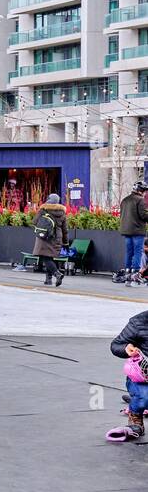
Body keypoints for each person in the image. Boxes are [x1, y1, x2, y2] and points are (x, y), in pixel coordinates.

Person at [108, 306, 148, 441]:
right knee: (144, 397)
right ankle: (135, 415)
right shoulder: (139, 322)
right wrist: (126, 349)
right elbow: (116, 345)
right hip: (143, 377)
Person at [31, 193, 71, 288]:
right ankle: (48, 279)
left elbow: (34, 222)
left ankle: (57, 274)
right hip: (57, 238)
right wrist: (66, 243)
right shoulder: (62, 213)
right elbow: (65, 230)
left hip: (45, 237)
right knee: (50, 257)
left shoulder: (43, 209)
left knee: (46, 258)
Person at [117, 181, 148, 283]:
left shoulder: (125, 200)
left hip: (126, 230)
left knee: (129, 252)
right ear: (141, 191)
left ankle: (128, 272)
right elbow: (143, 215)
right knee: (138, 252)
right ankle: (135, 273)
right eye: (144, 191)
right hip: (137, 230)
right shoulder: (140, 200)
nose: (145, 193)